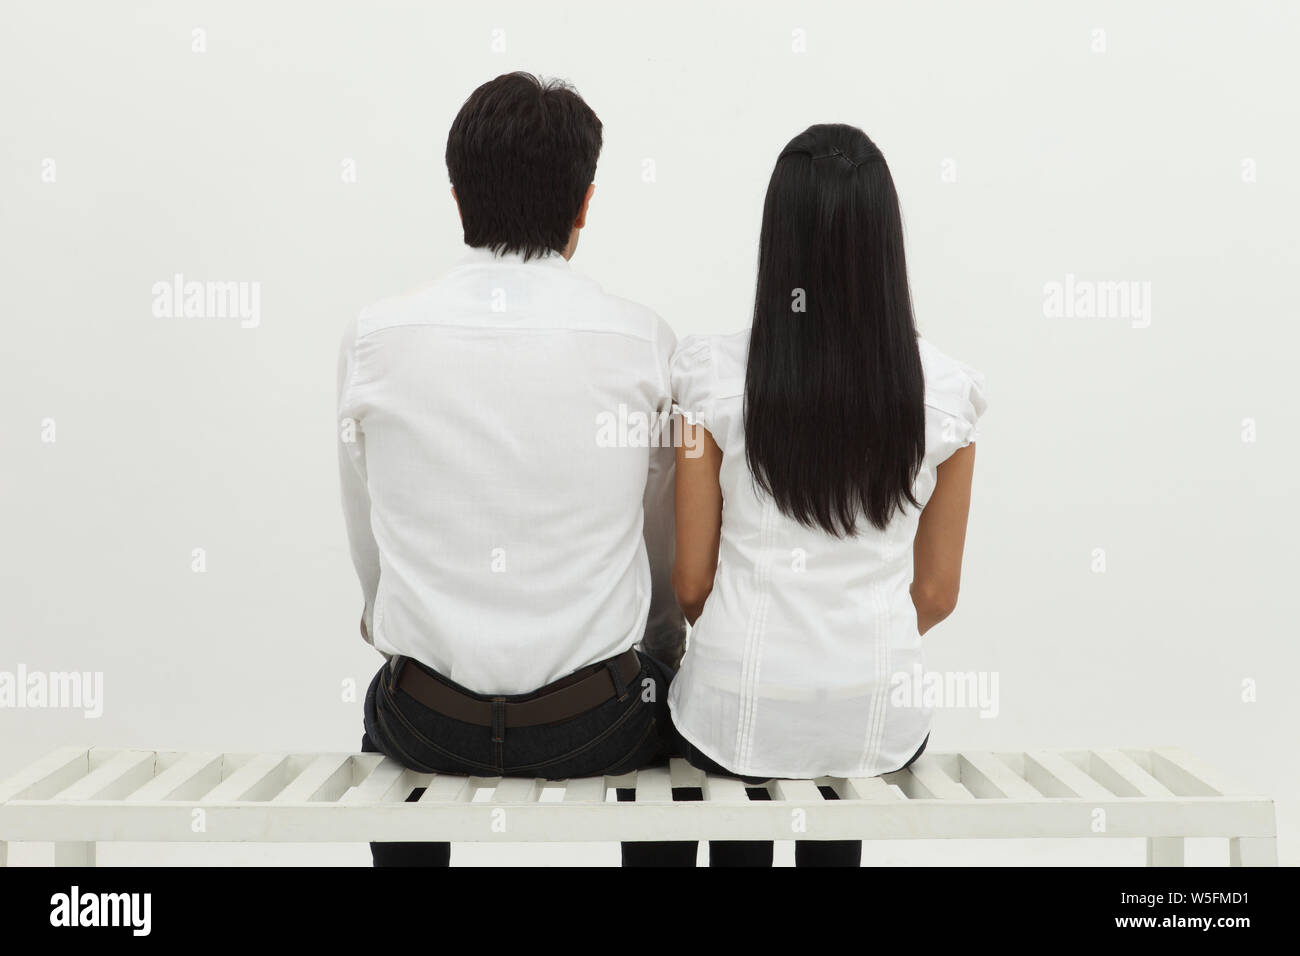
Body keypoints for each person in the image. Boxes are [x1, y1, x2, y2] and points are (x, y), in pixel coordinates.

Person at [337, 72, 690, 866]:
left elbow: (368, 538)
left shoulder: (374, 341)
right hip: (595, 724)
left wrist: (389, 624)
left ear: (457, 198)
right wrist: (660, 651)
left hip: (426, 720)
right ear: (584, 206)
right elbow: (664, 556)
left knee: (387, 710)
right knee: (680, 717)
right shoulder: (644, 343)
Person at [666, 123, 987, 866]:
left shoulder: (705, 380)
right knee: (844, 785)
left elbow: (690, 582)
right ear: (885, 246)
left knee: (717, 772)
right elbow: (936, 594)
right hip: (875, 714)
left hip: (734, 707)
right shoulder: (949, 397)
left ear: (778, 242)